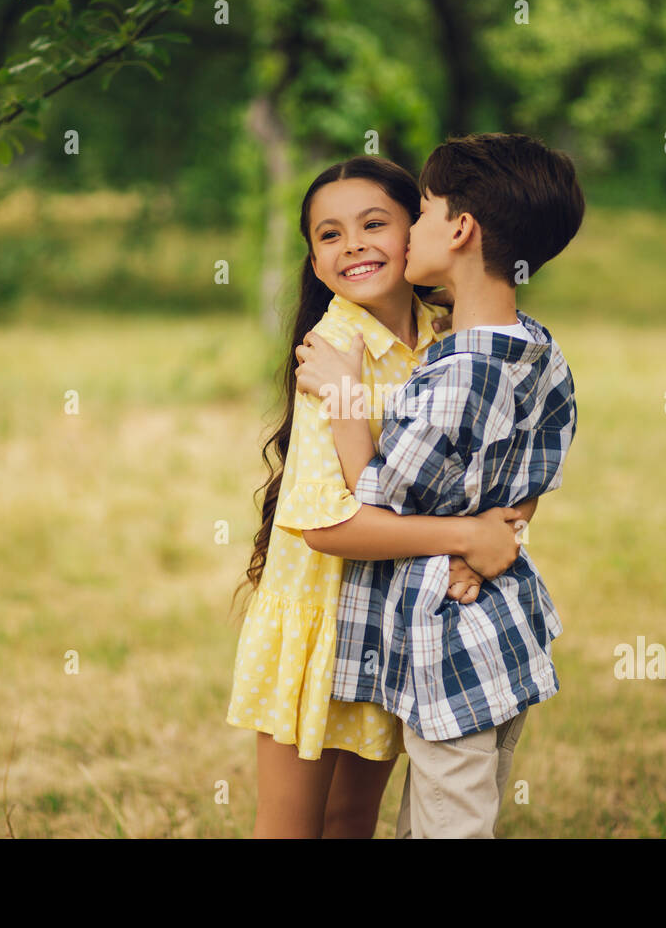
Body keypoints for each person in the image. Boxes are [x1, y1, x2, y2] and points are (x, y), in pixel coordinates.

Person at [226, 155, 536, 838]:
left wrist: (499, 524)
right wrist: (463, 538)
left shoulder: (445, 342)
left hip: (391, 626)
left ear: (418, 233)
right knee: (291, 828)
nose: (353, 245)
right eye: (328, 235)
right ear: (312, 260)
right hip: (317, 620)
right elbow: (327, 526)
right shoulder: (334, 355)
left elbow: (498, 466)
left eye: (375, 223)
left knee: (350, 820)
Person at [296, 133, 584, 837]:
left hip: (452, 648)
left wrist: (344, 399)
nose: (410, 232)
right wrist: (497, 527)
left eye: (419, 214)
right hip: (504, 628)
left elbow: (374, 499)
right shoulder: (537, 345)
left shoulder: (456, 375)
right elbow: (541, 456)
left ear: (459, 229)